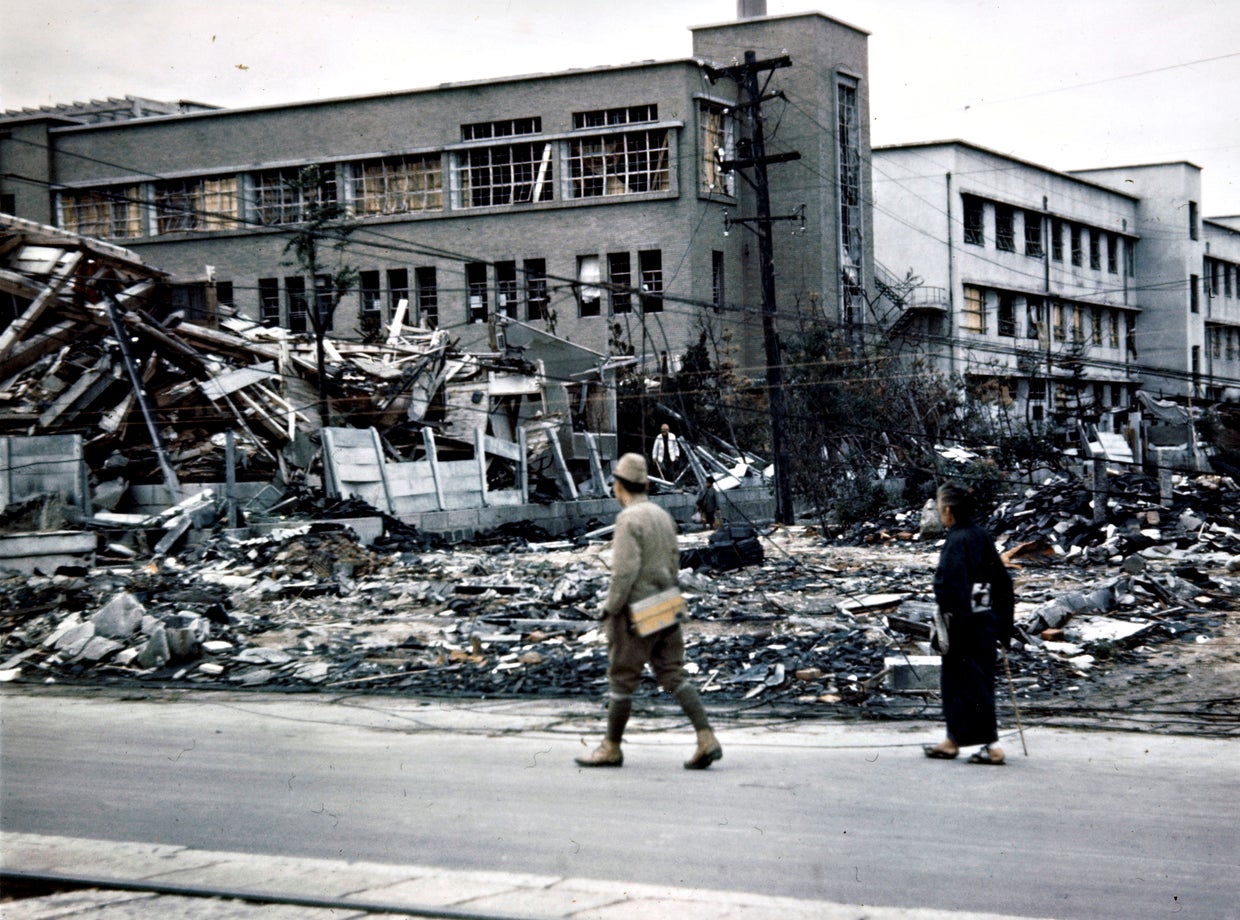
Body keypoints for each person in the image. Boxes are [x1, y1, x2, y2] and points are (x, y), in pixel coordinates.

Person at [576, 453, 722, 770]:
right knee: (672, 674)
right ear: (644, 484)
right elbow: (674, 564)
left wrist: (611, 609)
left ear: (619, 485)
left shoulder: (628, 520)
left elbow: (624, 572)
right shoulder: (662, 516)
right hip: (667, 602)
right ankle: (706, 736)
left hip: (636, 609)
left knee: (622, 679)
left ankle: (611, 747)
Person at [923, 481, 1015, 765]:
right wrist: (1004, 626)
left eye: (940, 508)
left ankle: (991, 746)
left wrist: (955, 621)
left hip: (964, 624)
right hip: (985, 620)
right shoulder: (981, 536)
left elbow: (950, 585)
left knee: (970, 686)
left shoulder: (956, 540)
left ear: (948, 511)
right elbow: (1002, 582)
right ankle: (953, 740)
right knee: (963, 684)